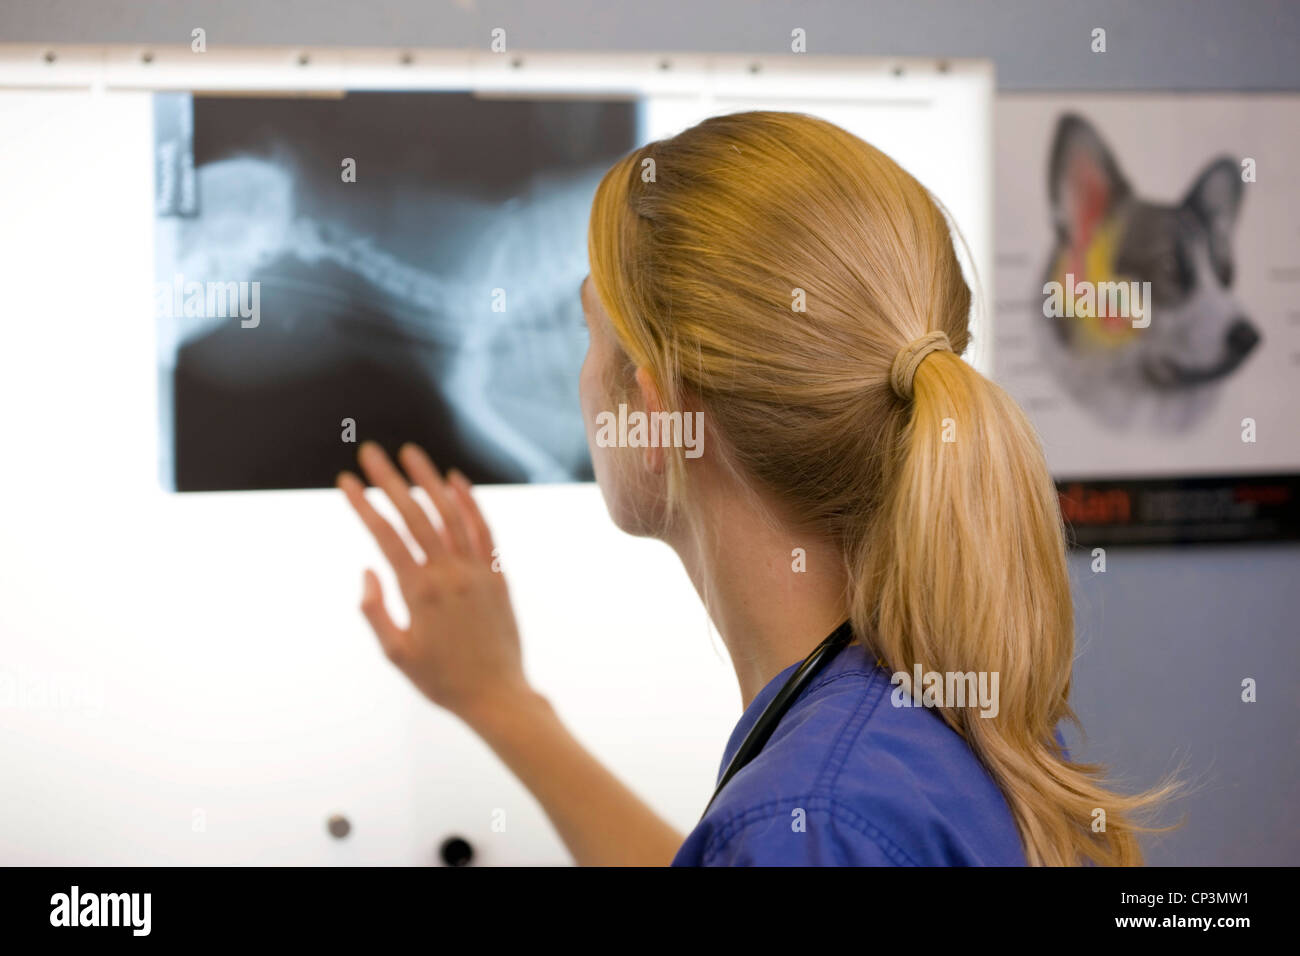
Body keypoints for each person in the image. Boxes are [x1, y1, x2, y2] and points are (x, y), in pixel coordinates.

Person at [337, 110, 1177, 866]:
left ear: (658, 413)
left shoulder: (813, 816)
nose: (580, 380)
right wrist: (500, 702)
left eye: (589, 331)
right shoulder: (943, 717)